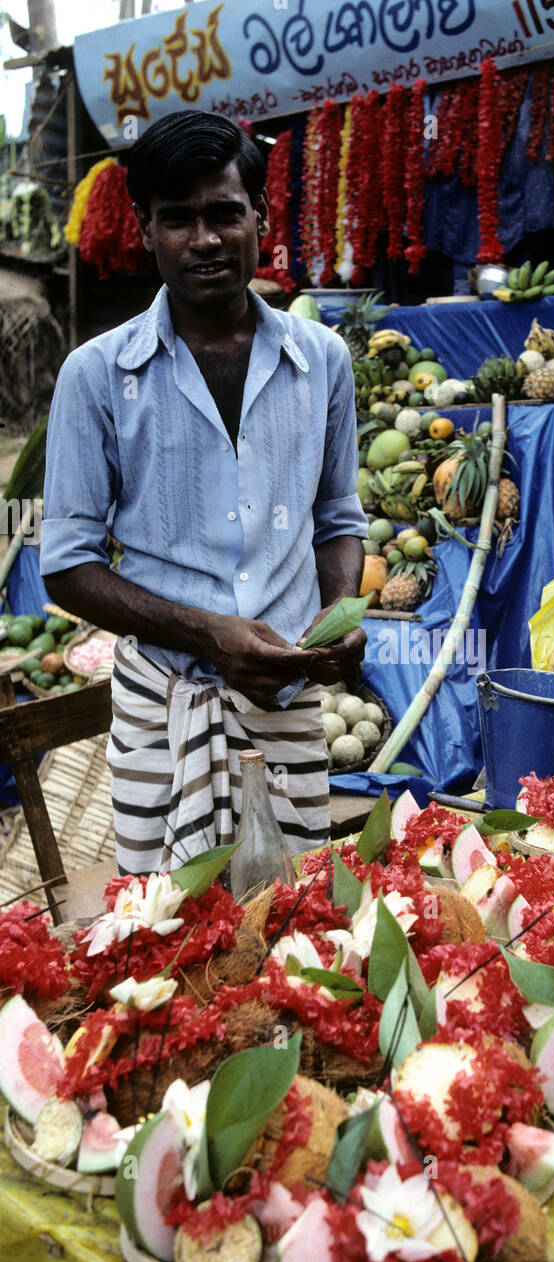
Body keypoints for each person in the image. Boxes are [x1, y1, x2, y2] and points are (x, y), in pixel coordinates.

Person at [41, 111, 368, 874]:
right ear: (146, 229)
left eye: (223, 213)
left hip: (284, 701)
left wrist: (338, 613)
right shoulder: (97, 376)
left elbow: (337, 517)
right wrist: (206, 635)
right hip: (162, 705)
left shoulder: (320, 359)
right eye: (177, 219)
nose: (204, 240)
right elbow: (66, 565)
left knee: (292, 921)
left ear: (260, 216)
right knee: (161, 938)